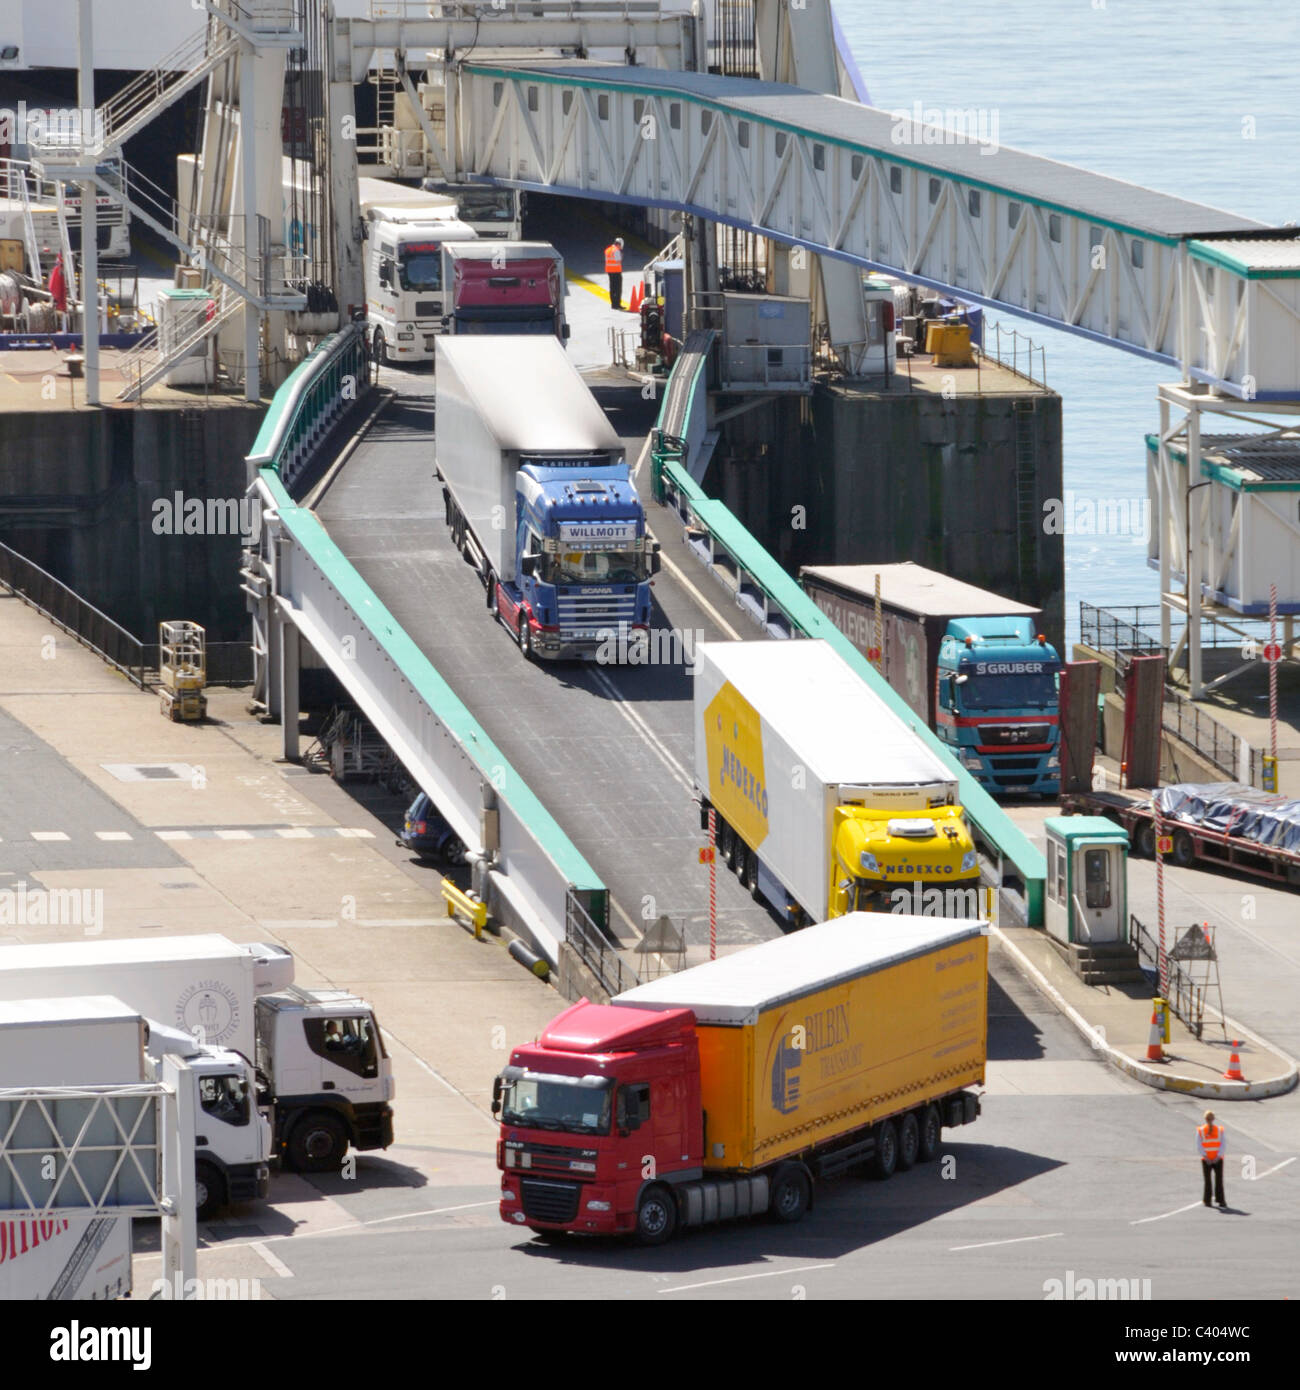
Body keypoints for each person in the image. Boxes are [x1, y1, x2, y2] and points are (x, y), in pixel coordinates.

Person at [1198, 1109, 1226, 1208]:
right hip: (1217, 1159)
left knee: (1208, 1181)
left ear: (1205, 1119)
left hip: (1207, 1160)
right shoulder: (1219, 1130)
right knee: (1219, 1180)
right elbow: (1223, 1145)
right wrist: (1217, 1157)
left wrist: (1206, 1157)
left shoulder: (1201, 1130)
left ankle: (1207, 1200)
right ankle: (1221, 1200)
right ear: (1213, 1119)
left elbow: (1199, 1146)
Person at [605, 236, 624, 311]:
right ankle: (617, 304)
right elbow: (618, 261)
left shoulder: (608, 250)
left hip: (609, 271)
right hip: (616, 272)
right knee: (618, 289)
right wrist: (621, 256)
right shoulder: (616, 250)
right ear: (619, 244)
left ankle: (613, 304)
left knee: (612, 288)